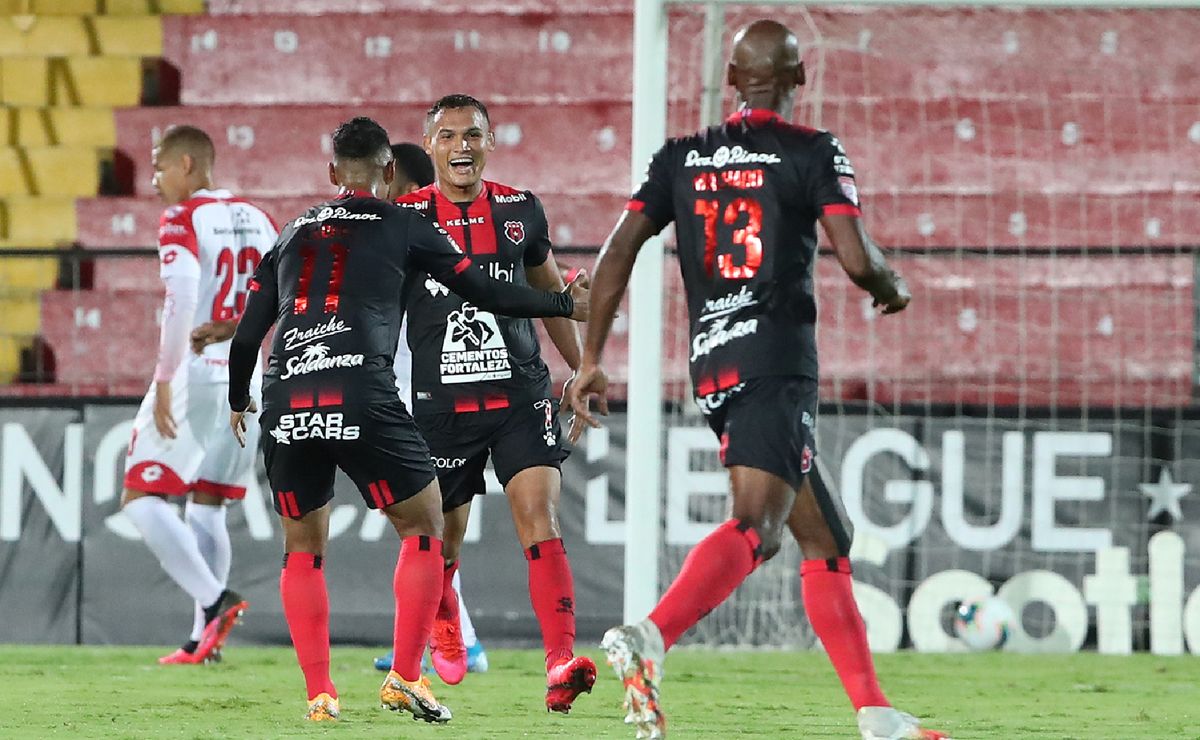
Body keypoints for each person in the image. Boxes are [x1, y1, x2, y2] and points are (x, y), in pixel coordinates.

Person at [566, 20, 949, 740]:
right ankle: (651, 636)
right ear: (799, 80)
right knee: (758, 528)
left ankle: (875, 713)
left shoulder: (680, 156)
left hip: (713, 361)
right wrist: (891, 284)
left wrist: (590, 357)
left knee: (826, 538)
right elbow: (857, 258)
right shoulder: (812, 151)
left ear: (734, 80)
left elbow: (616, 253)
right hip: (775, 358)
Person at [225, 116, 586, 722]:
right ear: (391, 172)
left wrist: (241, 399)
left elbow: (245, 337)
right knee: (424, 531)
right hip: (367, 391)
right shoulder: (406, 222)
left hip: (287, 392)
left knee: (302, 550)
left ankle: (320, 695)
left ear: (332, 173)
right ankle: (405, 675)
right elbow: (486, 291)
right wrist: (561, 303)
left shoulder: (290, 230)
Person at [393, 94, 595, 712]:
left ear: (490, 141)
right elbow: (383, 309)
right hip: (441, 405)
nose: (462, 146)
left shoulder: (519, 209)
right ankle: (444, 609)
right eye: (448, 136)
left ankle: (560, 663)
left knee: (539, 515)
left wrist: (582, 369)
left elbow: (550, 291)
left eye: (473, 135)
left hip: (519, 393)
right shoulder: (404, 219)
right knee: (442, 541)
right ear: (429, 147)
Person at [120, 124, 277, 666]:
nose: (156, 180)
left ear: (188, 165)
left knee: (141, 497)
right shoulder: (262, 218)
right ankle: (202, 640)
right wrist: (236, 326)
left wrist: (165, 380)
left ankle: (213, 603)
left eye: (160, 166)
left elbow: (182, 297)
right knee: (208, 506)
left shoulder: (183, 218)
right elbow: (279, 300)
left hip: (195, 374)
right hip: (248, 381)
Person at [375, 141, 489, 675]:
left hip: (424, 394)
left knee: (429, 524)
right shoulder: (418, 235)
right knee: (425, 525)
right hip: (413, 390)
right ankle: (435, 637)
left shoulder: (410, 235)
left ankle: (457, 638)